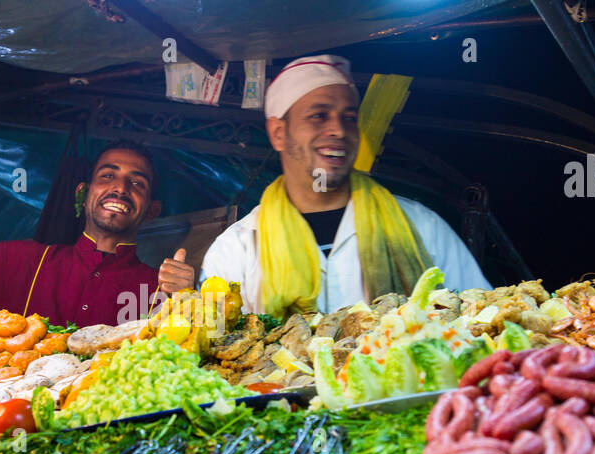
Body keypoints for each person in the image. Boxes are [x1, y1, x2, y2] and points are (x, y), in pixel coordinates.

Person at [200, 55, 489, 316]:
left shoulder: (421, 228)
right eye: (319, 115)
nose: (339, 130)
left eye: (349, 118)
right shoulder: (236, 250)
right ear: (278, 133)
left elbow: (483, 322)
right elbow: (211, 350)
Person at [0, 127, 197, 326]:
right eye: (108, 176)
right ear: (82, 195)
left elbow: (217, 362)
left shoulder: (161, 290)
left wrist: (191, 305)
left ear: (152, 210)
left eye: (137, 183)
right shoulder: (15, 264)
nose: (120, 189)